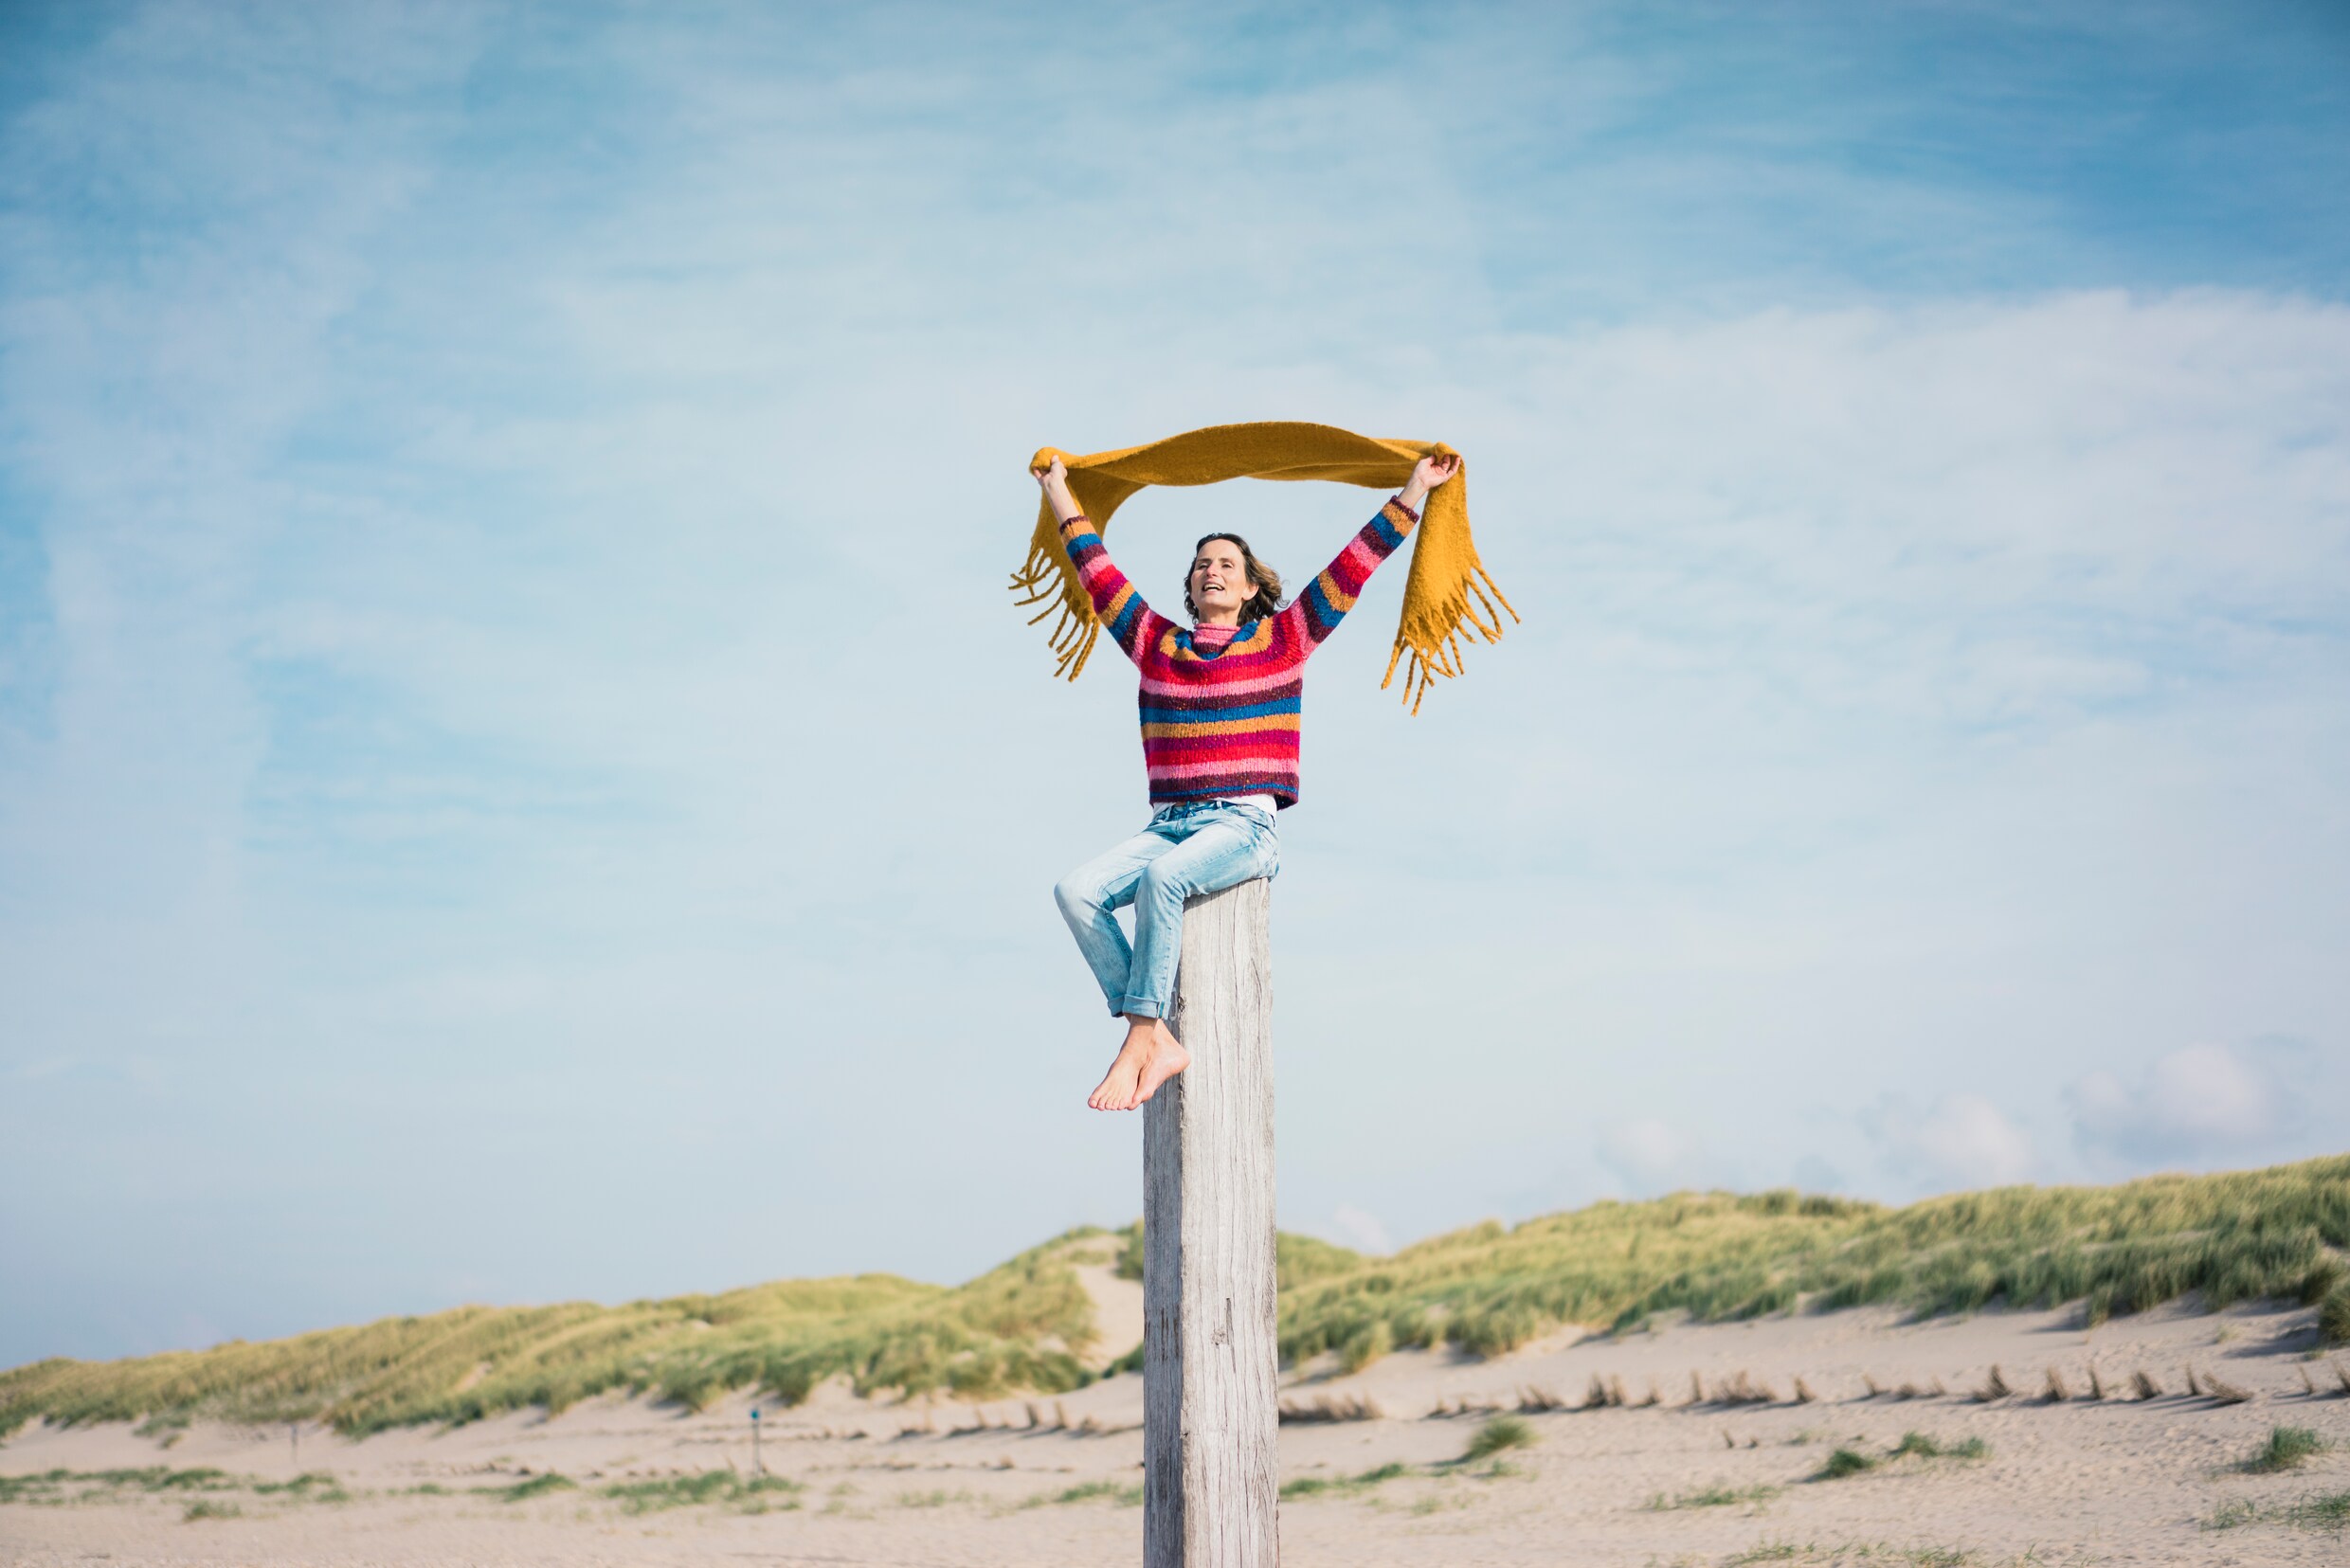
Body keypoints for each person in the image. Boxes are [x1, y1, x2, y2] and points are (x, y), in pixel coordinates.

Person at [1037, 449, 1462, 1110]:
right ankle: (1156, 1037)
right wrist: (1058, 489)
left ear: (1247, 587)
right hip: (1170, 823)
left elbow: (1356, 563)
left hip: (1243, 823)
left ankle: (1142, 1036)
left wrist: (1414, 488)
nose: (1213, 570)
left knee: (1161, 881)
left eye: (1226, 564)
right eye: (1202, 563)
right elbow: (1096, 569)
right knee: (1076, 890)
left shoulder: (1283, 638)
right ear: (1192, 585)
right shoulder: (1155, 642)